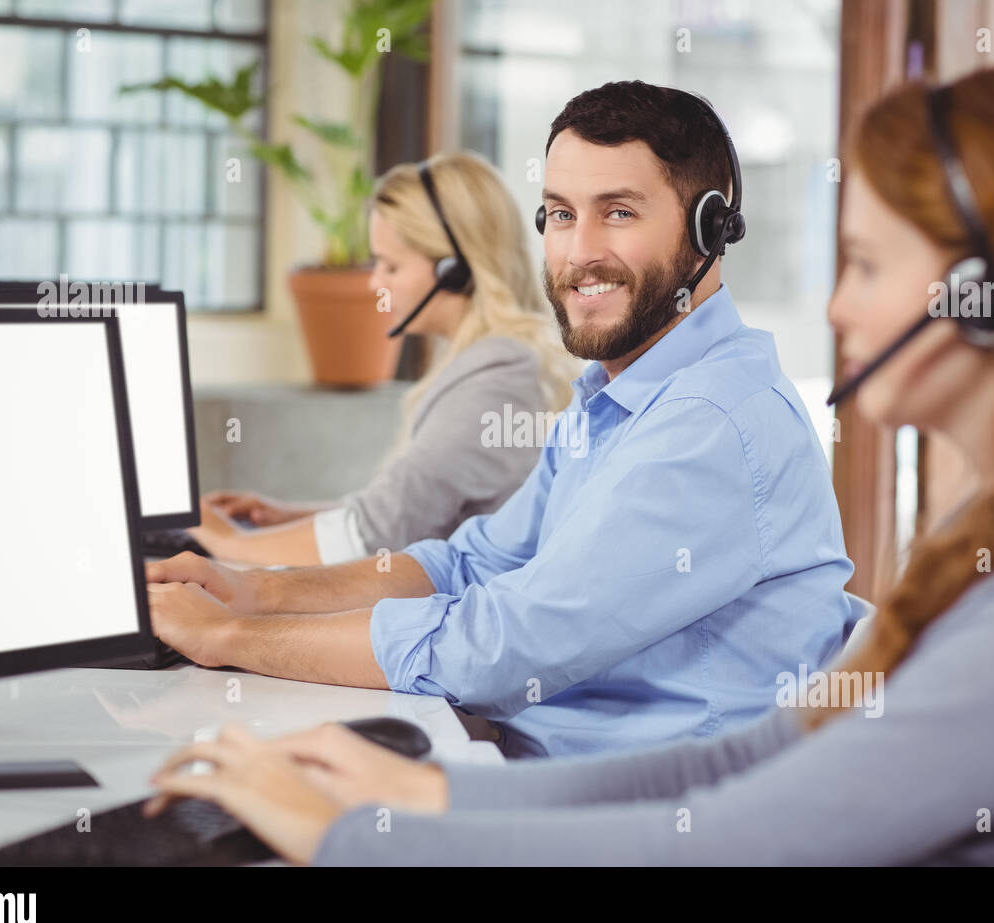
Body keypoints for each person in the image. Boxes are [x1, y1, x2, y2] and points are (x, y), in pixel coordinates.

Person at [147, 62, 994, 865]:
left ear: (985, 292)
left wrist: (354, 830)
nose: (834, 309)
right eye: (557, 212)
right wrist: (430, 796)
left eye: (865, 266)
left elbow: (738, 838)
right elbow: (745, 764)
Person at [146, 81, 864, 758]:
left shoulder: (710, 422)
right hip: (540, 774)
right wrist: (254, 589)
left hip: (642, 822)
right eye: (558, 214)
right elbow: (471, 562)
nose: (580, 253)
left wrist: (233, 636)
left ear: (711, 227)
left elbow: (500, 646)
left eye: (618, 212)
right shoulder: (614, 399)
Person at [191, 151, 583, 567]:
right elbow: (413, 509)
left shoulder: (499, 378)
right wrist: (286, 517)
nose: (375, 282)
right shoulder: (487, 358)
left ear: (455, 271)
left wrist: (229, 541)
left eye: (390, 266)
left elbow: (373, 532)